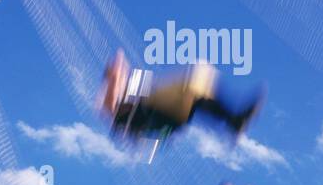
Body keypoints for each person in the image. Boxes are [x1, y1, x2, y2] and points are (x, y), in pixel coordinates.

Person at [101, 50, 264, 145]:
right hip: (155, 117)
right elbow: (109, 110)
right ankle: (232, 121)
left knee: (200, 79)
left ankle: (233, 121)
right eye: (121, 72)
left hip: (168, 117)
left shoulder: (135, 86)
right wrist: (113, 78)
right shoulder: (114, 96)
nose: (123, 72)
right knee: (196, 75)